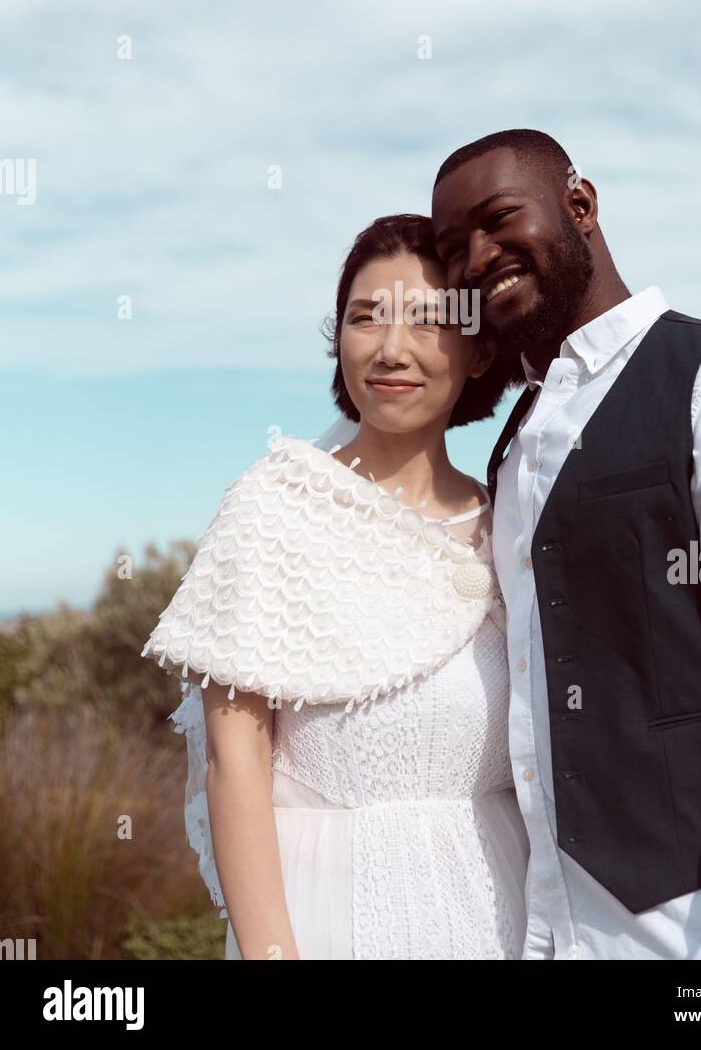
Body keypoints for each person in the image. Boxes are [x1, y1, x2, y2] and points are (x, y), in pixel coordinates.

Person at [430, 127, 701, 961]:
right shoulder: (516, 444)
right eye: (452, 247)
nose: (475, 258)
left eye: (497, 219)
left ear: (580, 205)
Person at [142, 213, 530, 960]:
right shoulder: (275, 506)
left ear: (479, 351)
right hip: (328, 913)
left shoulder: (509, 520)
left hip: (496, 906)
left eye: (427, 322)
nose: (391, 350)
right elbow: (236, 761)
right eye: (364, 318)